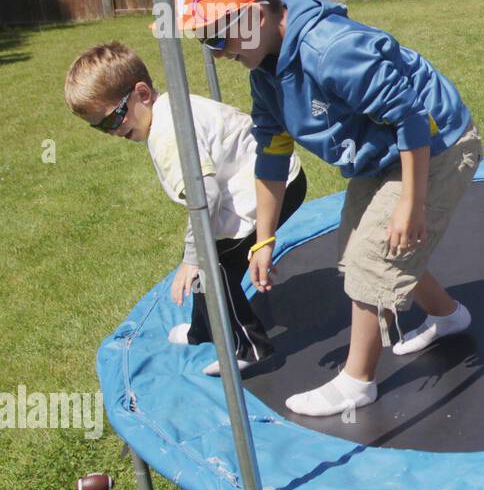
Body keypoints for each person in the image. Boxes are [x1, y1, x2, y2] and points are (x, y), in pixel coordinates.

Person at [174, 0, 482, 417]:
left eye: (217, 36)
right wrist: (263, 239)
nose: (216, 52)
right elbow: (272, 155)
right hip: (382, 156)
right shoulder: (266, 73)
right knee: (358, 249)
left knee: (374, 257)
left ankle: (357, 383)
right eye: (204, 40)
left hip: (438, 145)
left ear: (254, 16)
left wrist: (412, 203)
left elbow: (410, 117)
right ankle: (447, 315)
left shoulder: (330, 49)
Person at [64, 41, 305, 374]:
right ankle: (204, 328)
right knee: (203, 255)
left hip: (273, 185)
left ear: (142, 93)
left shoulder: (168, 134)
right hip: (257, 180)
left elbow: (205, 196)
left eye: (114, 118)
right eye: (100, 128)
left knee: (212, 266)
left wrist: (194, 259)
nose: (113, 131)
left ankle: (252, 346)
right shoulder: (166, 110)